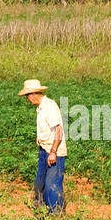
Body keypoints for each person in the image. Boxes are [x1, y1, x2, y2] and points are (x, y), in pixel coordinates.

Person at [18, 78, 66, 212]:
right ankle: (41, 212)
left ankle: (55, 215)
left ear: (33, 94)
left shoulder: (49, 106)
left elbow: (59, 129)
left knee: (52, 185)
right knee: (40, 184)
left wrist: (53, 152)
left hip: (53, 151)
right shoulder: (40, 108)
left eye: (27, 96)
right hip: (44, 149)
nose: (27, 99)